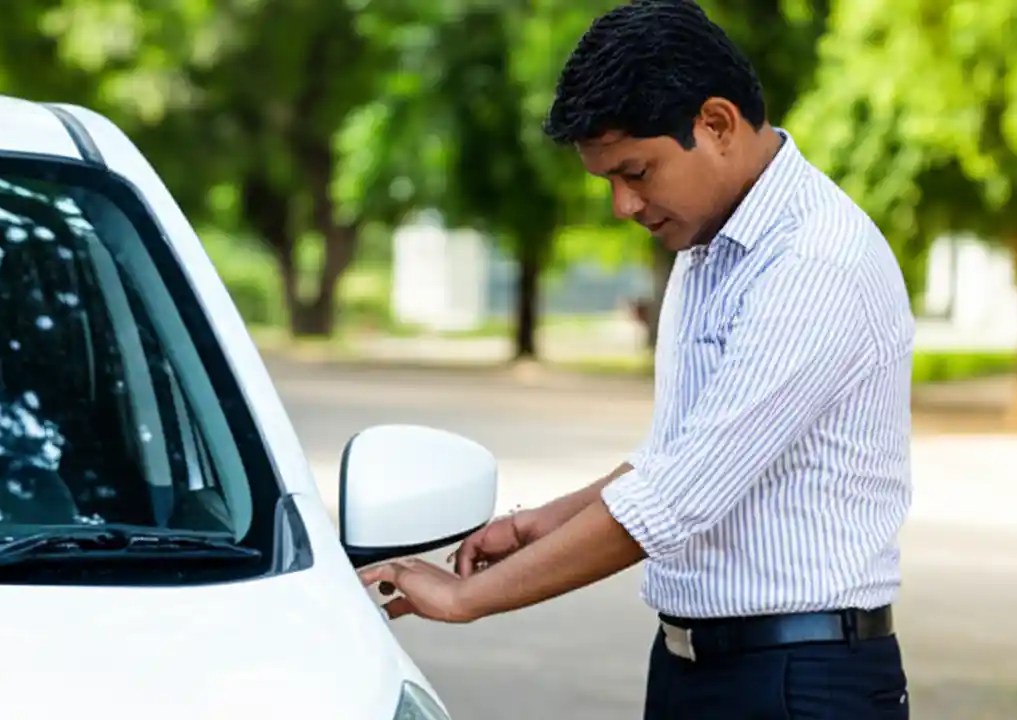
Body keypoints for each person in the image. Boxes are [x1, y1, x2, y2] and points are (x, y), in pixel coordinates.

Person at [358, 1, 914, 717]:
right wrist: (540, 525)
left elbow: (676, 497)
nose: (623, 205)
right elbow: (678, 453)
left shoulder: (813, 262)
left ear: (715, 124)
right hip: (698, 667)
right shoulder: (710, 249)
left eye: (637, 172)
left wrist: (468, 599)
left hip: (797, 682)